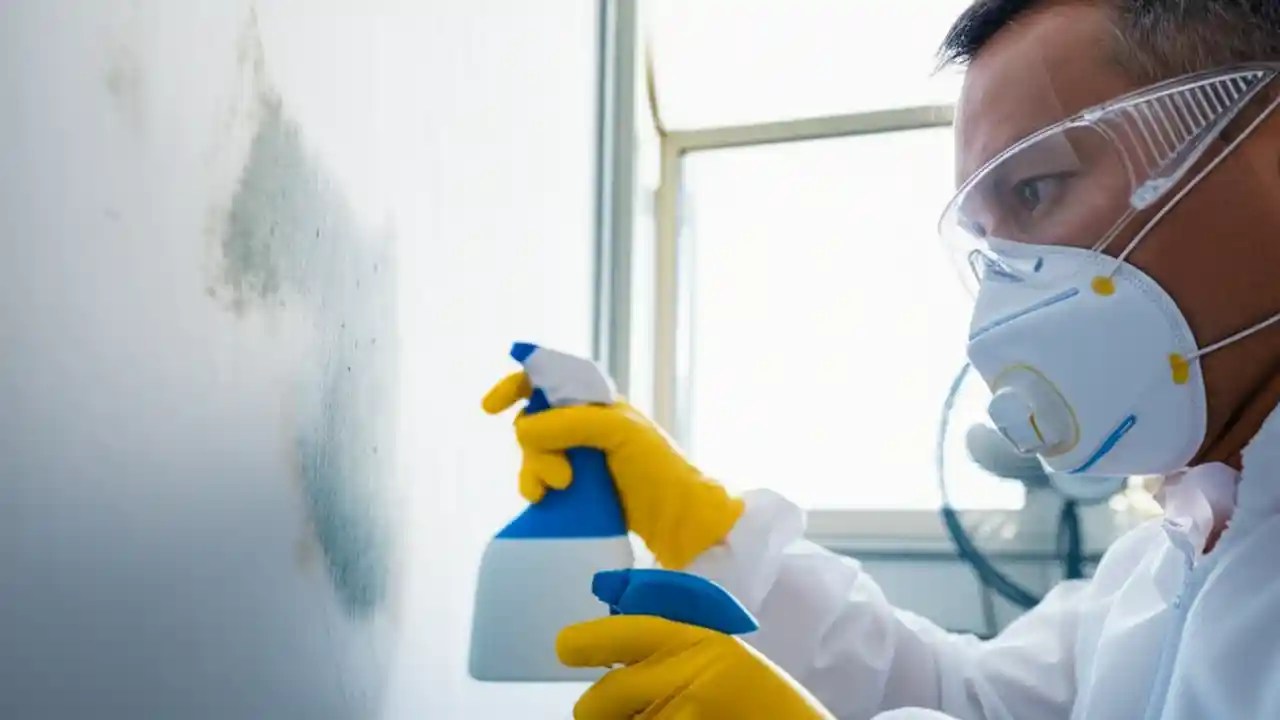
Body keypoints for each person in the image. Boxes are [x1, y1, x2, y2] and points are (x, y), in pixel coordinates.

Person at [484, 1, 1280, 717]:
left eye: (1035, 191)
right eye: (988, 244)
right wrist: (712, 528)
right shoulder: (1168, 558)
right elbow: (968, 698)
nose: (996, 314)